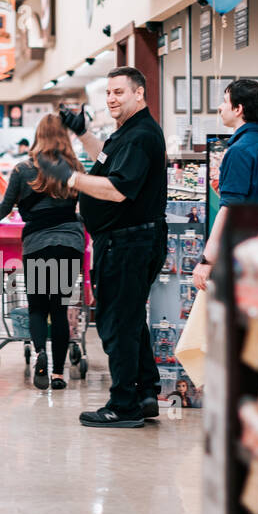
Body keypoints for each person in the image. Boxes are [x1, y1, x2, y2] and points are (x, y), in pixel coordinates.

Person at [59, 67, 167, 428]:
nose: (111, 99)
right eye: (108, 93)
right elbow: (106, 160)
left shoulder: (141, 136)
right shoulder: (129, 134)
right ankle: (146, 393)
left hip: (130, 241)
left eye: (119, 92)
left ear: (139, 94)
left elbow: (117, 188)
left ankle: (123, 405)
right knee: (131, 319)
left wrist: (71, 178)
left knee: (118, 322)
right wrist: (82, 133)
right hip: (127, 240)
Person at [0, 114, 85, 390]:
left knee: (37, 306)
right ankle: (58, 373)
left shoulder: (22, 170)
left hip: (37, 245)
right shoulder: (75, 167)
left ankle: (38, 354)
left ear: (38, 135)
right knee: (59, 309)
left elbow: (6, 206)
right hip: (69, 244)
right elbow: (87, 207)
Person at [193, 78, 258, 291]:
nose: (220, 107)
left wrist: (206, 260)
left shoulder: (238, 152)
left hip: (244, 258)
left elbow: (229, 210)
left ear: (238, 109)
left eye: (225, 101)